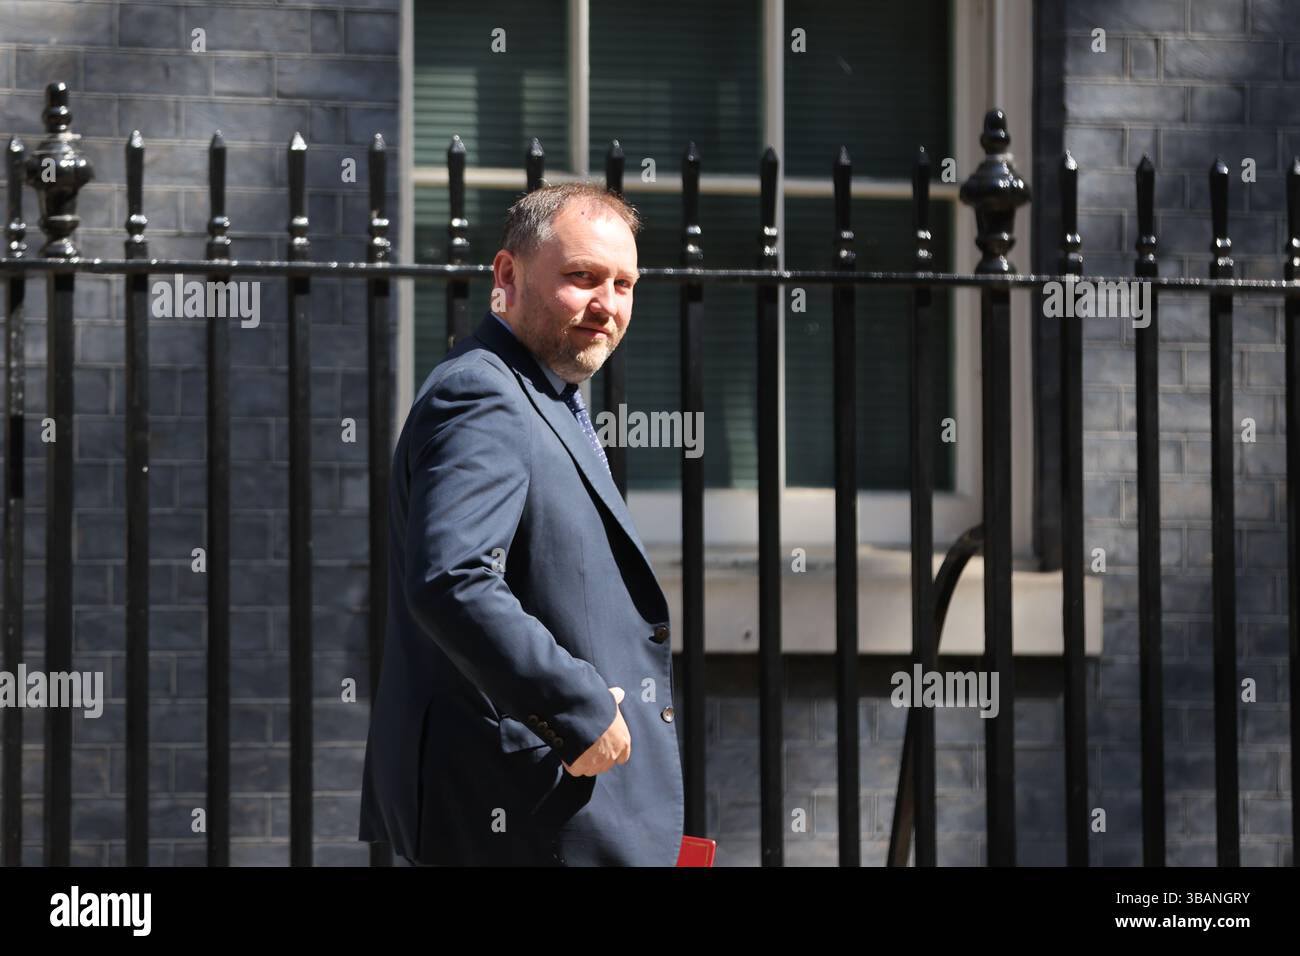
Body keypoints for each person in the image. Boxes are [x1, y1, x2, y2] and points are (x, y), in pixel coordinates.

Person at [359, 182, 684, 866]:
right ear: (507, 277)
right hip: (521, 819)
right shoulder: (484, 392)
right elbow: (453, 580)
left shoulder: (545, 396)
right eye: (582, 278)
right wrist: (577, 708)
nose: (608, 305)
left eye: (624, 284)